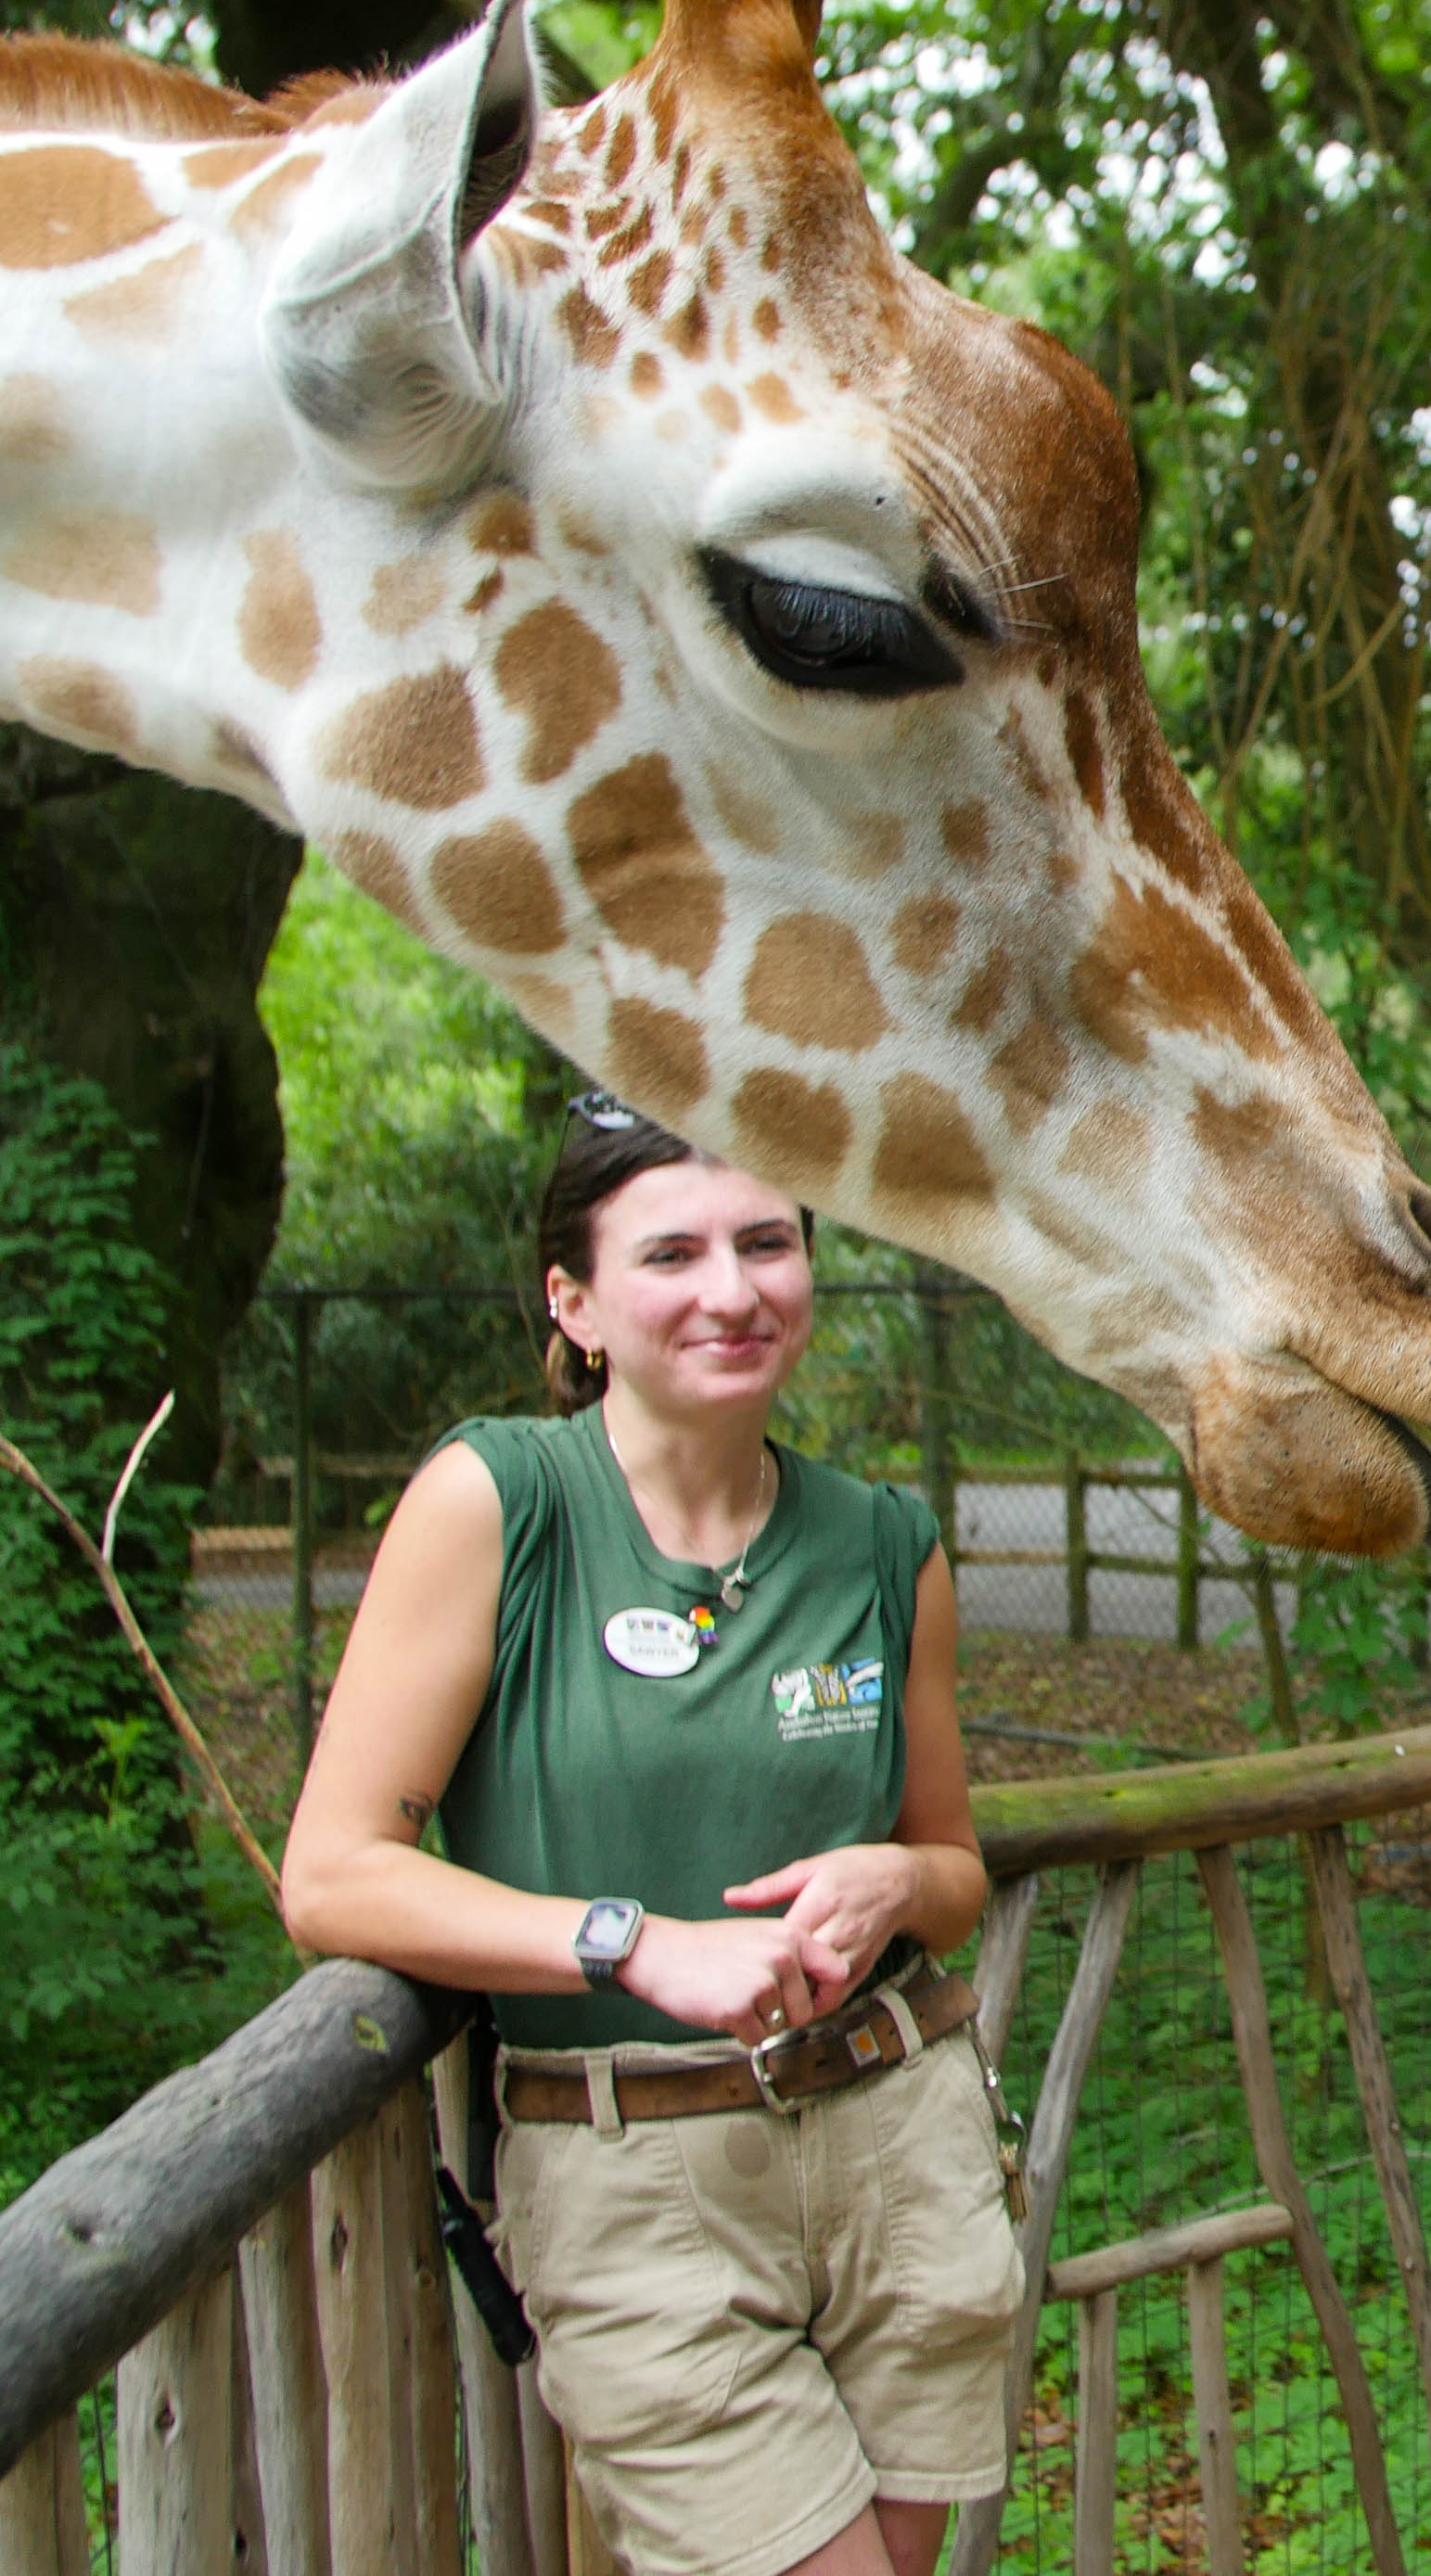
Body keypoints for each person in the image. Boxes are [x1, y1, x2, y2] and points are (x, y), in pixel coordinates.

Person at [284, 1096, 1015, 2576]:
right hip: (636, 2177)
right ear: (576, 1300)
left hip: (898, 2149)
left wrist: (895, 1880)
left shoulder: (886, 1544)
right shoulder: (501, 1502)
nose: (732, 1289)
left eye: (767, 1242)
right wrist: (633, 1940)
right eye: (671, 1252)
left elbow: (956, 1876)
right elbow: (332, 1872)